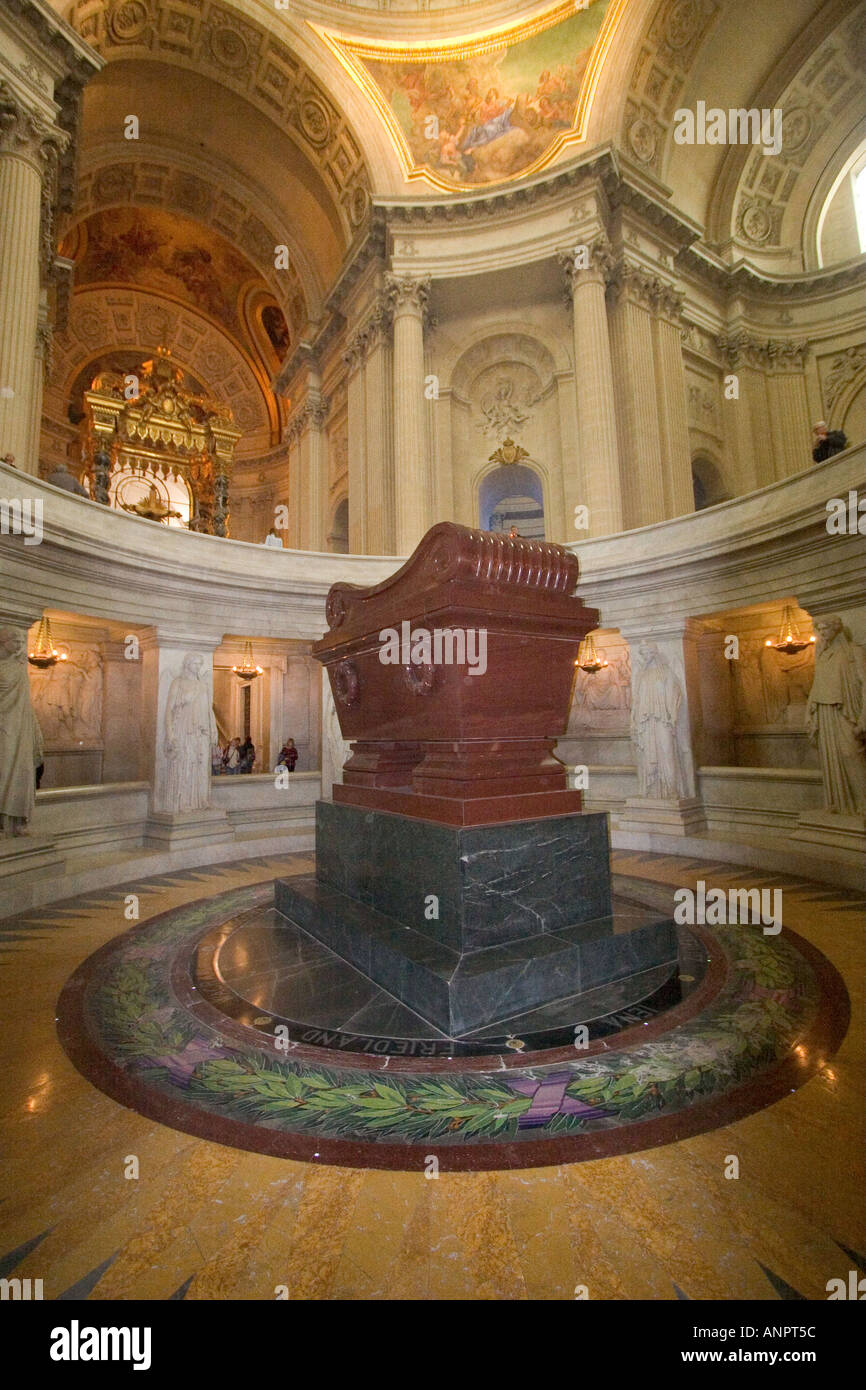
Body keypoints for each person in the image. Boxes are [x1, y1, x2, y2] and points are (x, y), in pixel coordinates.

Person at [805, 615, 866, 815]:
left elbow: (864, 684)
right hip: (824, 712)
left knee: (851, 753)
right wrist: (810, 711)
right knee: (830, 757)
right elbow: (817, 685)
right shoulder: (821, 654)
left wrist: (864, 717)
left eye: (826, 629)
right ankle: (840, 803)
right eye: (819, 630)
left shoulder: (853, 651)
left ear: (836, 629)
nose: (822, 633)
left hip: (845, 711)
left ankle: (863, 802)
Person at [0, 627, 44, 836]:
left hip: (21, 727)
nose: (18, 645)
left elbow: (26, 702)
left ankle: (17, 820)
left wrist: (34, 728)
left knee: (22, 771)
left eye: (20, 641)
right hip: (5, 726)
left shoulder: (19, 668)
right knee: (4, 769)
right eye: (14, 640)